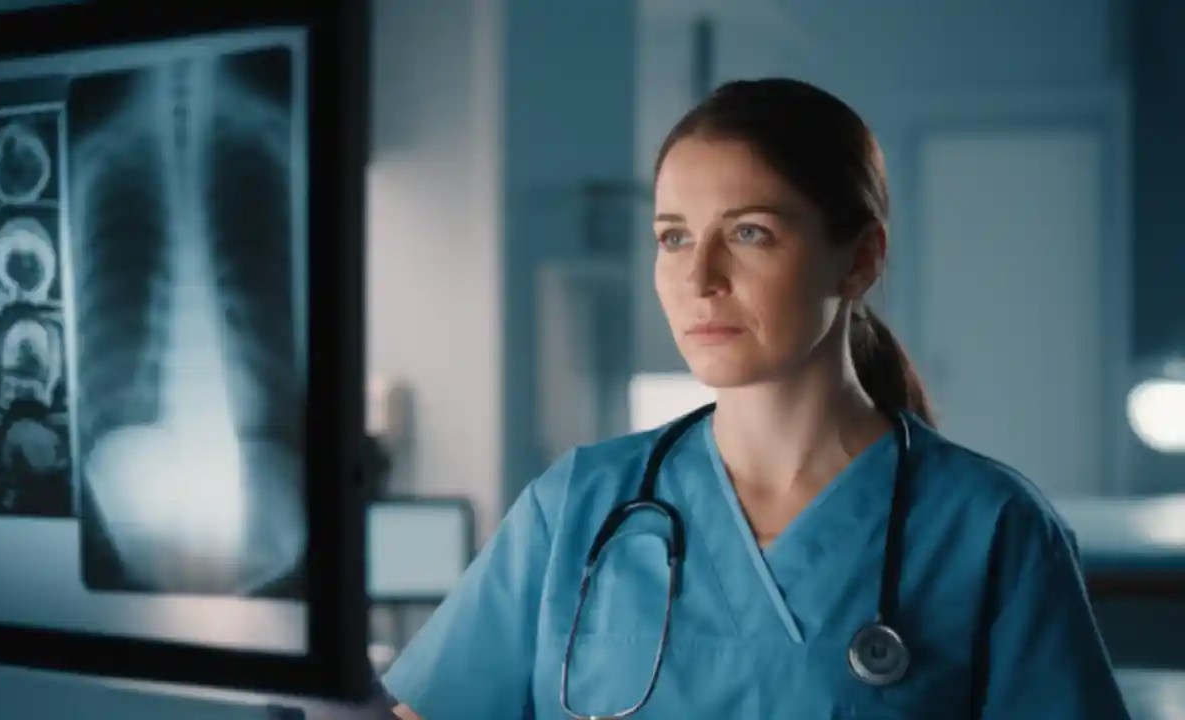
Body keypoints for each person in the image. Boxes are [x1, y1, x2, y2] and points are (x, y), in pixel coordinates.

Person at [382, 78, 1132, 719]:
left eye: (749, 233)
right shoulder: (577, 505)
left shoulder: (989, 528)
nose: (699, 278)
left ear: (859, 260)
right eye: (674, 238)